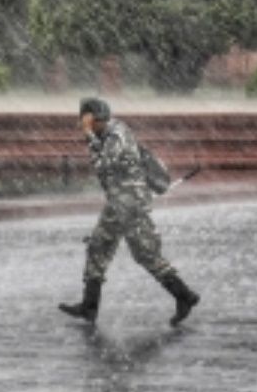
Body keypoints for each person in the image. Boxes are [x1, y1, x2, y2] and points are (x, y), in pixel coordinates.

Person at [59, 97, 200, 326]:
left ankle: (183, 296)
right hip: (122, 201)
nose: (83, 124)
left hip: (127, 201)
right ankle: (90, 305)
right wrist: (92, 135)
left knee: (121, 250)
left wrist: (88, 135)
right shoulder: (108, 133)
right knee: (113, 248)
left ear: (92, 118)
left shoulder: (116, 134)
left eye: (85, 119)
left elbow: (104, 165)